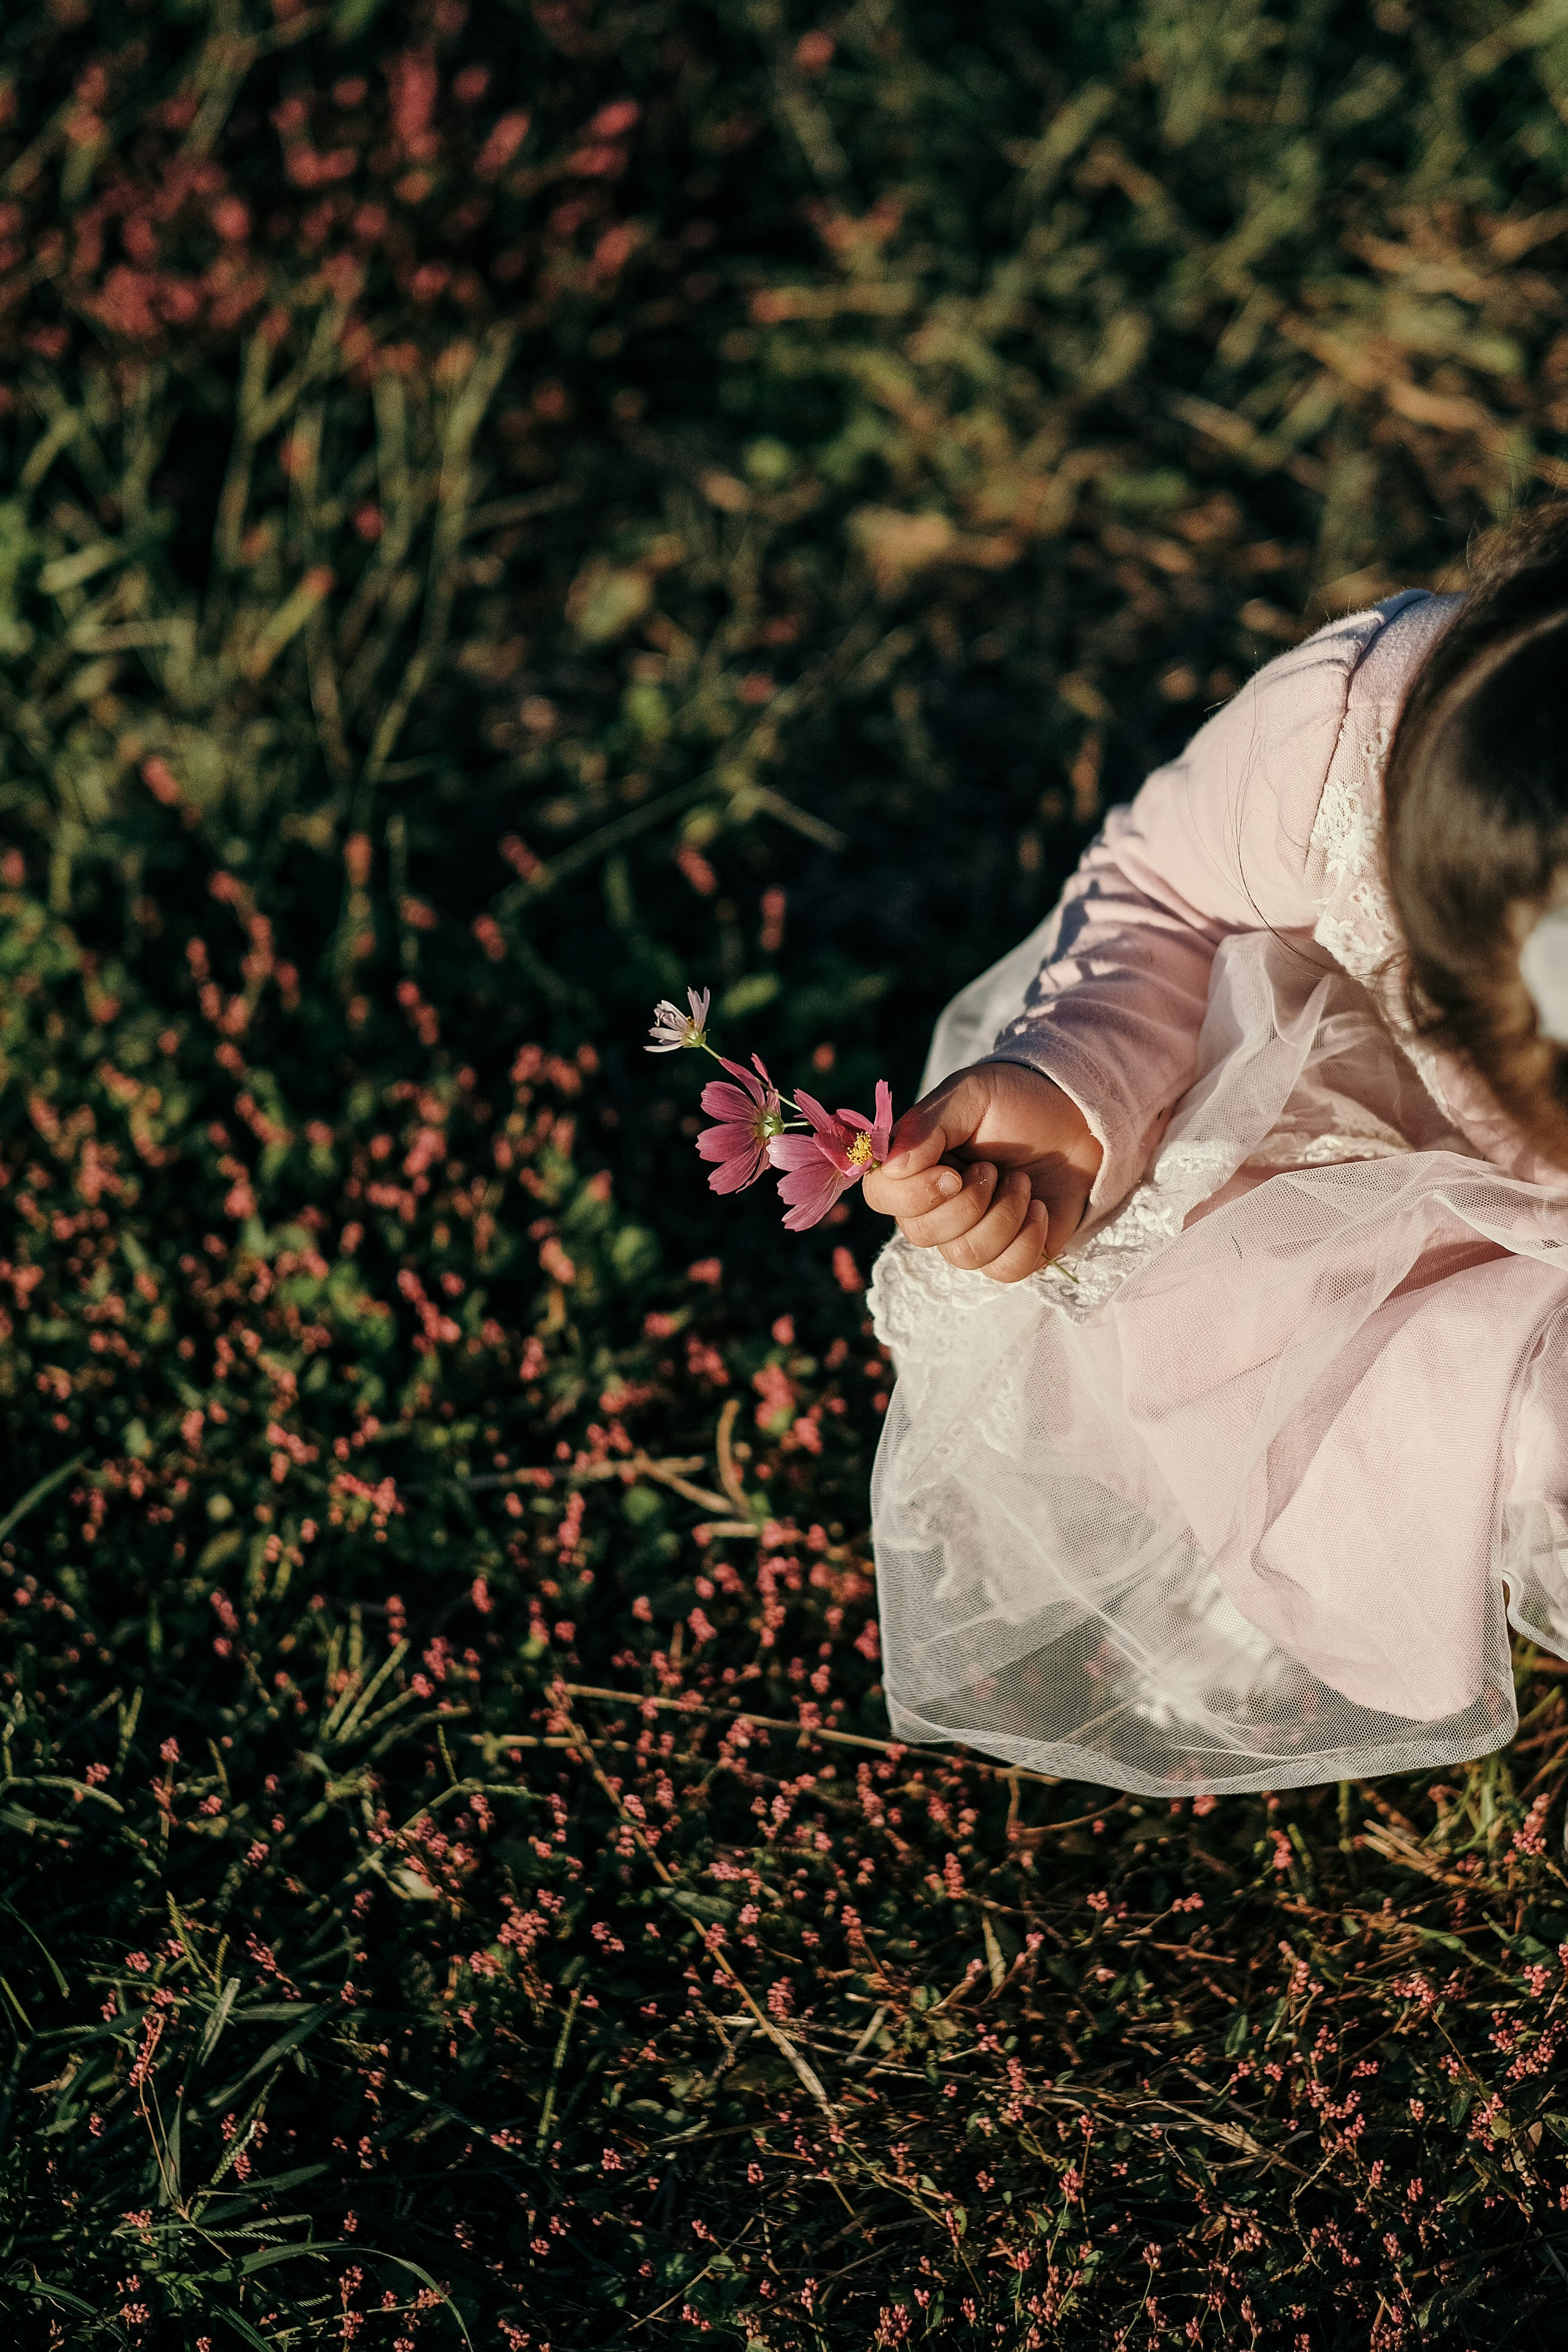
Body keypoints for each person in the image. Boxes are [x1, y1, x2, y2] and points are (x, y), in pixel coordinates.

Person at [862, 503, 1568, 1796]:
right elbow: (1161, 886)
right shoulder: (1353, 740)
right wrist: (1072, 1083)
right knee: (1282, 1340)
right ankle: (1292, 1514)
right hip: (1366, 1148)